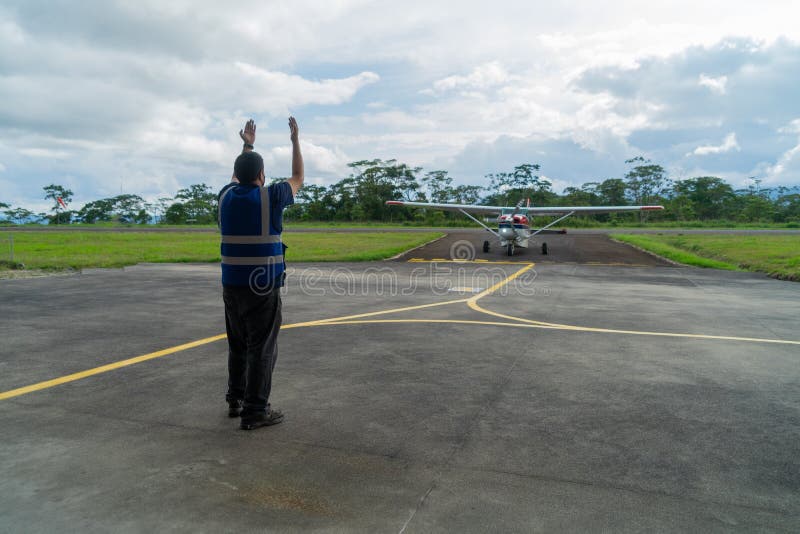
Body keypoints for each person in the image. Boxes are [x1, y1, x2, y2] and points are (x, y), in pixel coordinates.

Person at [218, 117, 303, 430]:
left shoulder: (225, 197)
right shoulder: (272, 197)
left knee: (238, 345)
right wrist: (295, 140)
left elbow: (236, 176)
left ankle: (235, 399)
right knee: (262, 348)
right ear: (261, 175)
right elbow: (298, 176)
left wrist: (248, 146)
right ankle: (256, 411)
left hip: (231, 286)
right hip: (263, 287)